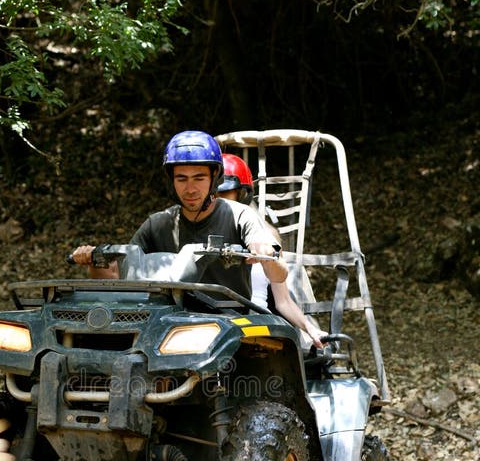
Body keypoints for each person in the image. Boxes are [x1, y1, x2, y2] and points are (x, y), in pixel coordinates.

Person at [71, 131, 288, 297]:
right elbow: (119, 277)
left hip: (228, 320)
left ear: (214, 178)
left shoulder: (239, 215)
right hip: (170, 322)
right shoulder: (158, 224)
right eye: (181, 179)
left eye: (199, 178)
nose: (190, 189)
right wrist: (94, 261)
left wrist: (266, 254)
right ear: (171, 181)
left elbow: (279, 274)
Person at [218, 153, 327, 349]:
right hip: (210, 323)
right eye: (213, 194)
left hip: (254, 324)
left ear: (242, 194)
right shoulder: (200, 234)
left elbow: (283, 301)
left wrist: (309, 328)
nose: (218, 200)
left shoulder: (267, 235)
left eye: (225, 193)